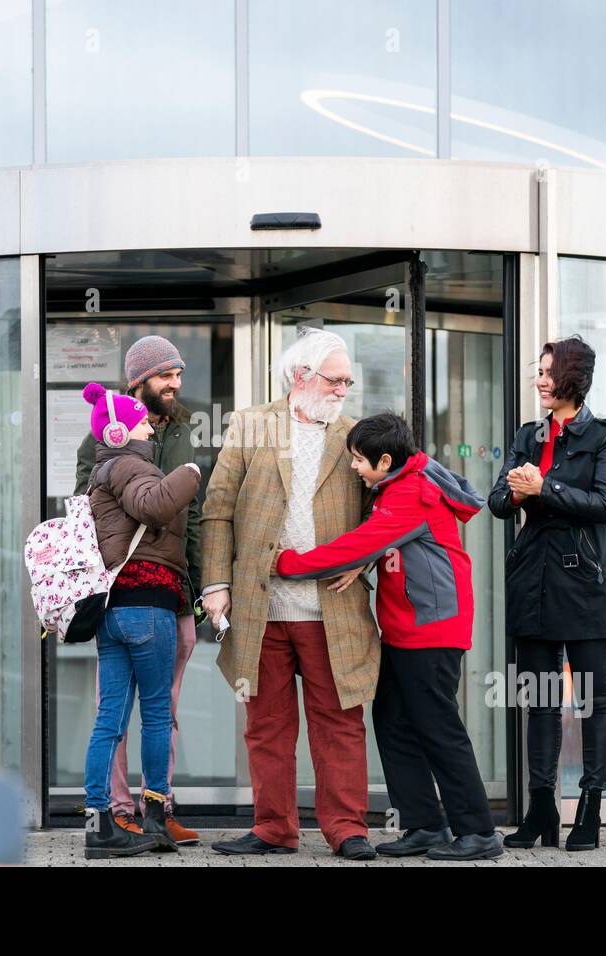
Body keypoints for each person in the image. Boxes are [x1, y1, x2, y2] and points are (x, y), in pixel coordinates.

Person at [273, 413, 503, 861]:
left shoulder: (411, 492)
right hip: (402, 630)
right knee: (394, 722)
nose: (354, 468)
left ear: (384, 459)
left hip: (432, 630)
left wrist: (287, 564)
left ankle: (478, 831)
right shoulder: (395, 484)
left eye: (359, 460)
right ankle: (423, 826)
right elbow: (376, 546)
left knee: (438, 728)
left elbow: (356, 545)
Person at [201, 327, 380, 860]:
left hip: (332, 608)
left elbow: (388, 511)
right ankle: (274, 828)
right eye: (335, 379)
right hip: (261, 606)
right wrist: (216, 584)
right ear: (300, 376)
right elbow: (218, 508)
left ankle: (348, 829)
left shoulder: (355, 433)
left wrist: (365, 558)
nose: (343, 389)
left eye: (348, 380)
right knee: (267, 725)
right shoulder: (251, 425)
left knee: (340, 722)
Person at [489, 335, 606, 852]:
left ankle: (590, 808)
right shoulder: (528, 435)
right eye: (539, 371)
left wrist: (542, 488)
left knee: (595, 700)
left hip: (588, 582)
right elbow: (499, 500)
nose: (540, 380)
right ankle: (541, 808)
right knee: (540, 700)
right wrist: (514, 489)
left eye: (548, 372)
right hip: (533, 579)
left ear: (574, 377)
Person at [74, 334, 203, 846]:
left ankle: (120, 815)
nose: (175, 384)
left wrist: (194, 588)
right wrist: (190, 475)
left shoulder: (180, 428)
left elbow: (189, 521)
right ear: (138, 383)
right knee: (140, 711)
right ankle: (128, 811)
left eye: (179, 374)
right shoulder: (114, 441)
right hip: (139, 592)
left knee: (145, 711)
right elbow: (107, 507)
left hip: (168, 589)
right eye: (165, 375)